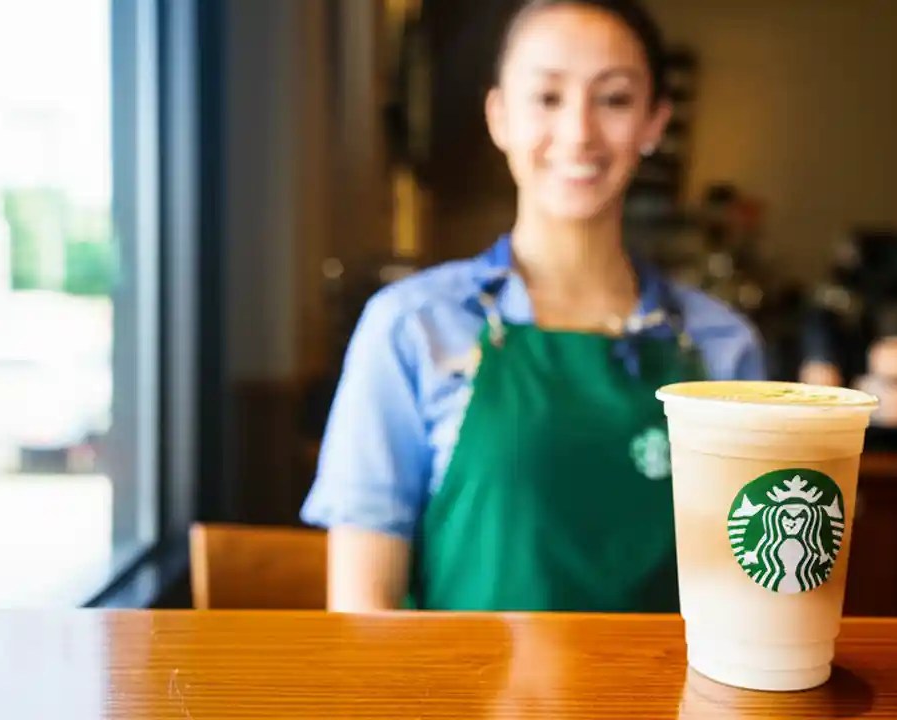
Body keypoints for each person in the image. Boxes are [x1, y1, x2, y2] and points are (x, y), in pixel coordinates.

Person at [301, 0, 764, 612]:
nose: (578, 133)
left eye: (615, 99)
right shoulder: (413, 326)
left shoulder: (722, 345)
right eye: (547, 98)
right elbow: (363, 612)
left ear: (655, 122)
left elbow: (749, 599)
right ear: (499, 117)